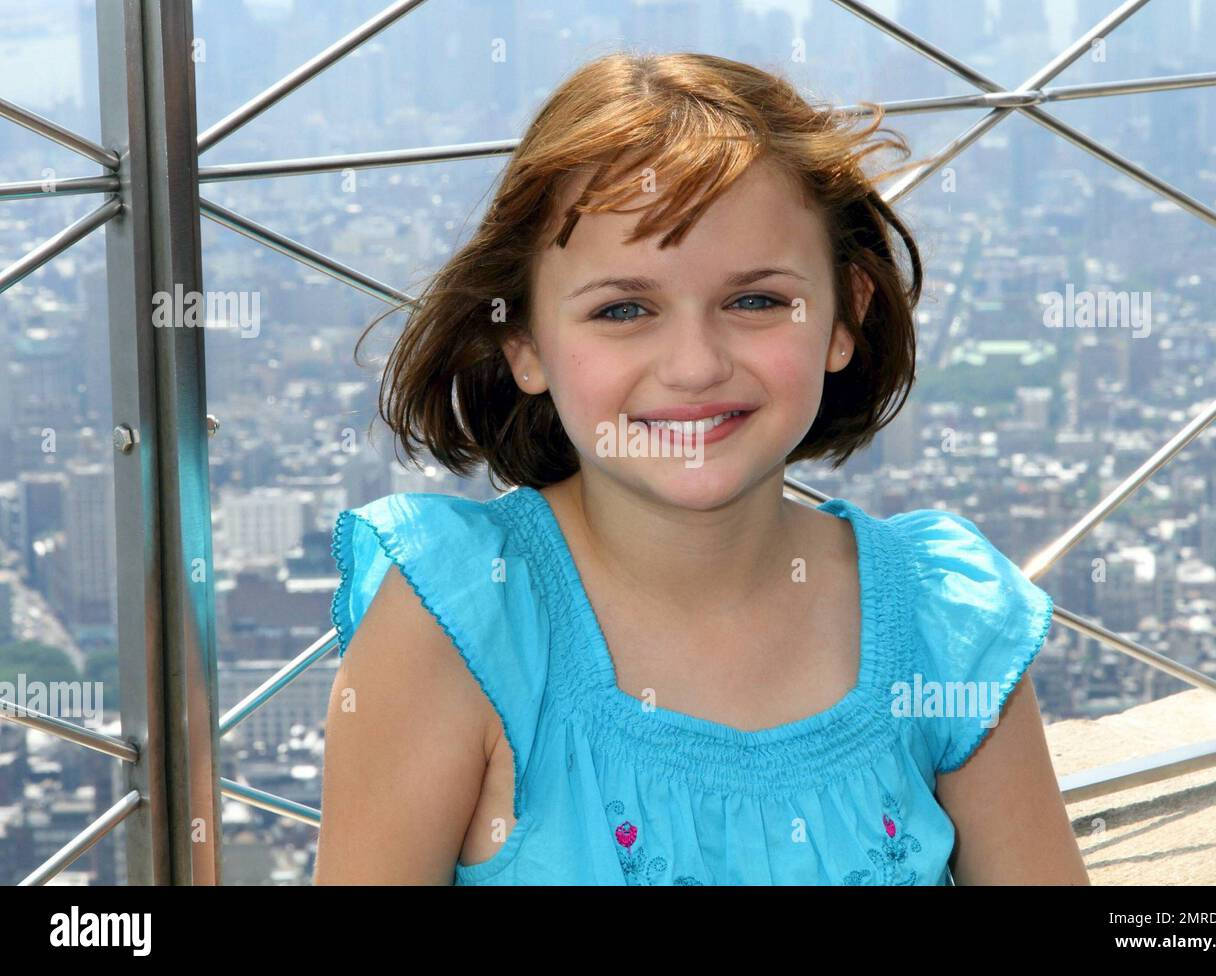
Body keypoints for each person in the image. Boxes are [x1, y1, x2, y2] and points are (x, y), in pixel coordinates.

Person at [313, 51, 1089, 886]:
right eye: (623, 309)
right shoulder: (461, 619)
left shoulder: (942, 623)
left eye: (755, 301)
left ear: (845, 314)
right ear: (525, 344)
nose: (693, 365)